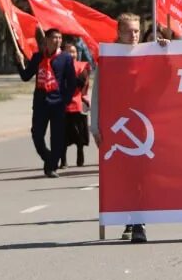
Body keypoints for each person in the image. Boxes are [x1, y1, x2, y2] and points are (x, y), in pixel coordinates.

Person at [92, 13, 154, 243]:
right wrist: (95, 125)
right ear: (119, 32)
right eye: (128, 31)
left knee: (140, 178)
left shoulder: (149, 55)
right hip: (116, 127)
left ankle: (138, 223)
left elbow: (166, 79)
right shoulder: (109, 59)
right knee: (124, 178)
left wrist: (166, 51)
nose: (133, 35)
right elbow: (97, 94)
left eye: (136, 31)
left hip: (143, 127)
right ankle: (130, 218)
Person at [17, 28, 77, 178]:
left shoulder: (65, 58)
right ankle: (48, 157)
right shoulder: (38, 57)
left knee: (57, 137)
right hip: (41, 103)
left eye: (60, 38)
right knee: (37, 135)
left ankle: (51, 167)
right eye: (54, 38)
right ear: (47, 40)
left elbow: (71, 82)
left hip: (58, 103)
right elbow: (26, 76)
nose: (58, 41)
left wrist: (65, 100)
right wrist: (19, 63)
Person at [61, 42, 90, 168]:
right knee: (62, 135)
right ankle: (63, 160)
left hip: (77, 104)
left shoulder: (81, 66)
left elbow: (81, 83)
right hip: (62, 105)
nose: (72, 54)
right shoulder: (57, 66)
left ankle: (80, 154)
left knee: (79, 134)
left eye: (74, 52)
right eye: (68, 52)